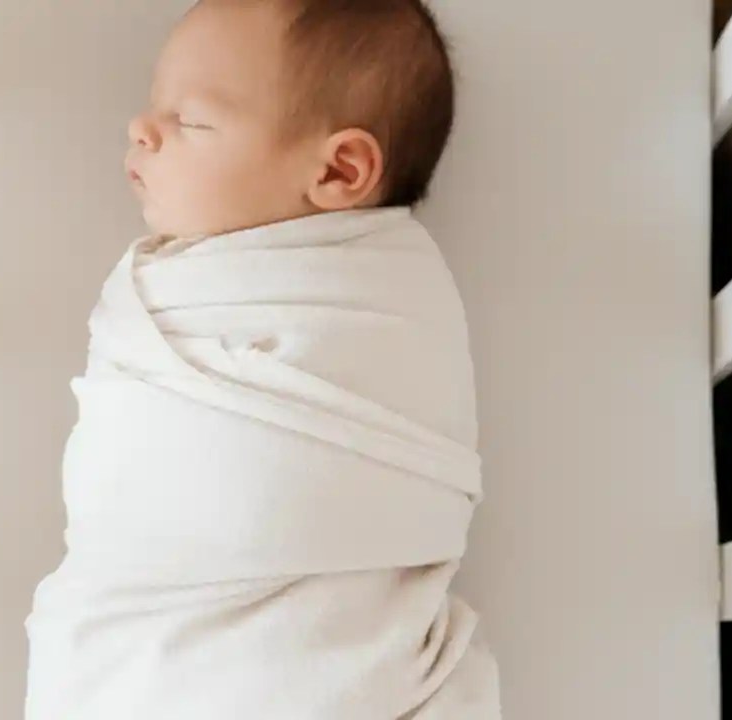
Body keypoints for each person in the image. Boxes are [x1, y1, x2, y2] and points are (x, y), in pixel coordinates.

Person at [26, 2, 500, 717]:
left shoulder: (387, 298)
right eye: (156, 109)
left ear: (340, 170)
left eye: (189, 121)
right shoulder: (192, 295)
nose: (141, 129)